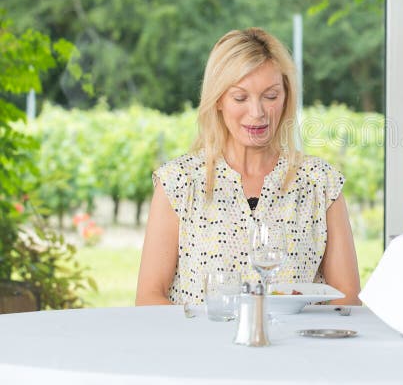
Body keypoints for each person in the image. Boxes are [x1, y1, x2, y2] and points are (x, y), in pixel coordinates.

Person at [136, 28, 361, 306]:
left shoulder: (320, 183)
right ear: (218, 100)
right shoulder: (179, 182)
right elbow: (148, 297)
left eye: (271, 96)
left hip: (300, 337)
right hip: (201, 337)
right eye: (240, 98)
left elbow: (347, 298)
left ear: (286, 97)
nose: (257, 112)